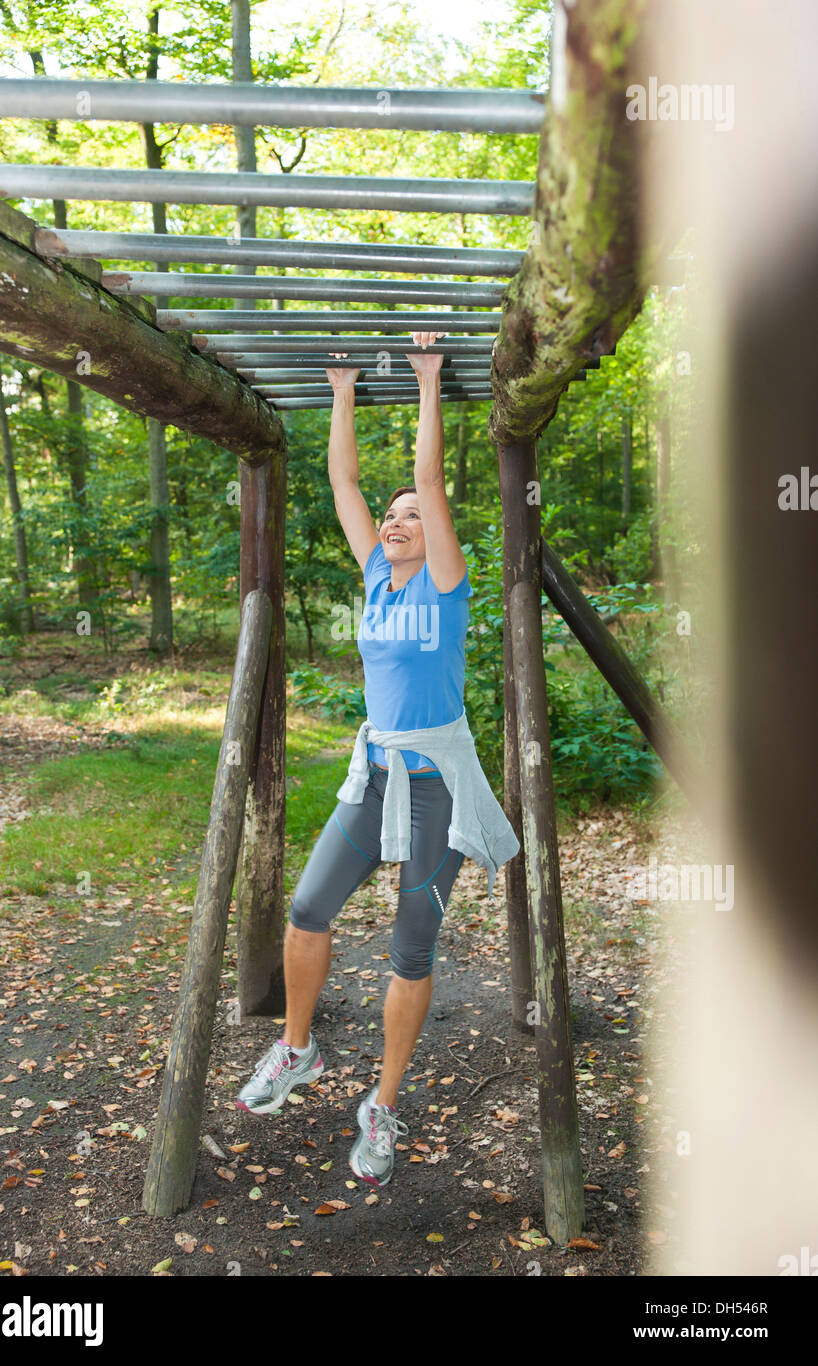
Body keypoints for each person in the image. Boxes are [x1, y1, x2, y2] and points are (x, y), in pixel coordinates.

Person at [236, 329, 520, 1188]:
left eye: (410, 517)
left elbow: (429, 482)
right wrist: (344, 388)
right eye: (391, 517)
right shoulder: (375, 577)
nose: (397, 521)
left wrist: (430, 381)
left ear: (432, 534)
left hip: (433, 791)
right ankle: (298, 1050)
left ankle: (383, 1107)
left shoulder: (445, 584)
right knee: (308, 909)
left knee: (410, 950)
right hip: (373, 781)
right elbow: (341, 480)